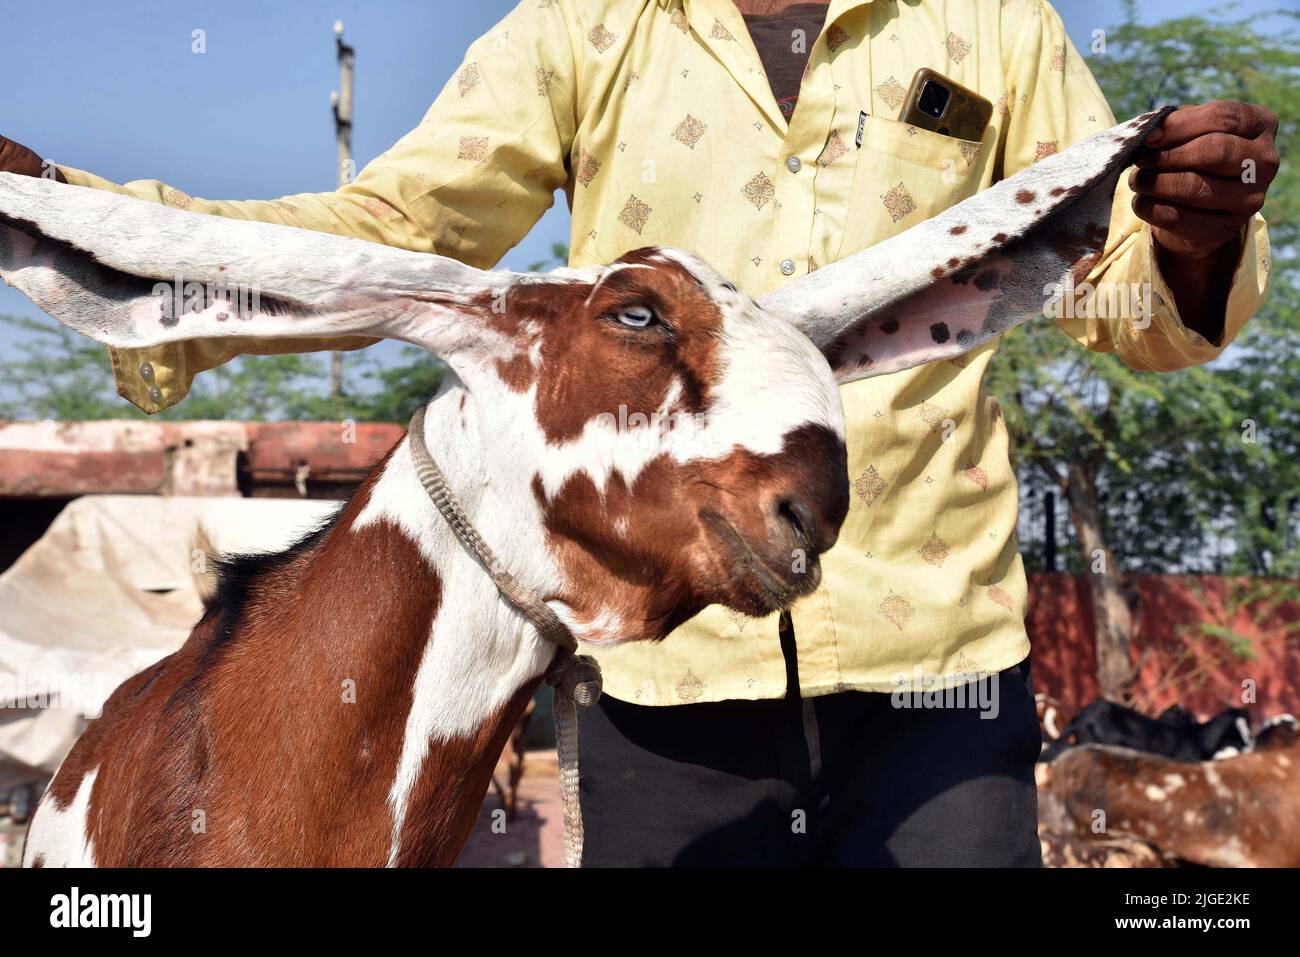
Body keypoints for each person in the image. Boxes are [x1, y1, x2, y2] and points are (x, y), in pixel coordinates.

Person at [0, 0, 1276, 866]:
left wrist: (1188, 243)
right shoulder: (587, 26)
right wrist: (98, 227)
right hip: (668, 681)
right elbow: (396, 234)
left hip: (934, 660)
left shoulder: (989, 22)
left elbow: (1115, 303)